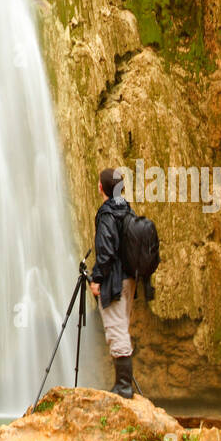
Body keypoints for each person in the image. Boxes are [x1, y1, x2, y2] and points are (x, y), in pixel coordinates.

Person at [89, 166, 136, 398]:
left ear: (102, 188)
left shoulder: (107, 214)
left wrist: (97, 278)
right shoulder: (127, 209)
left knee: (116, 330)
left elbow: (106, 251)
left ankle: (124, 387)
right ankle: (123, 385)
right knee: (122, 328)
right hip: (130, 280)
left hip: (115, 282)